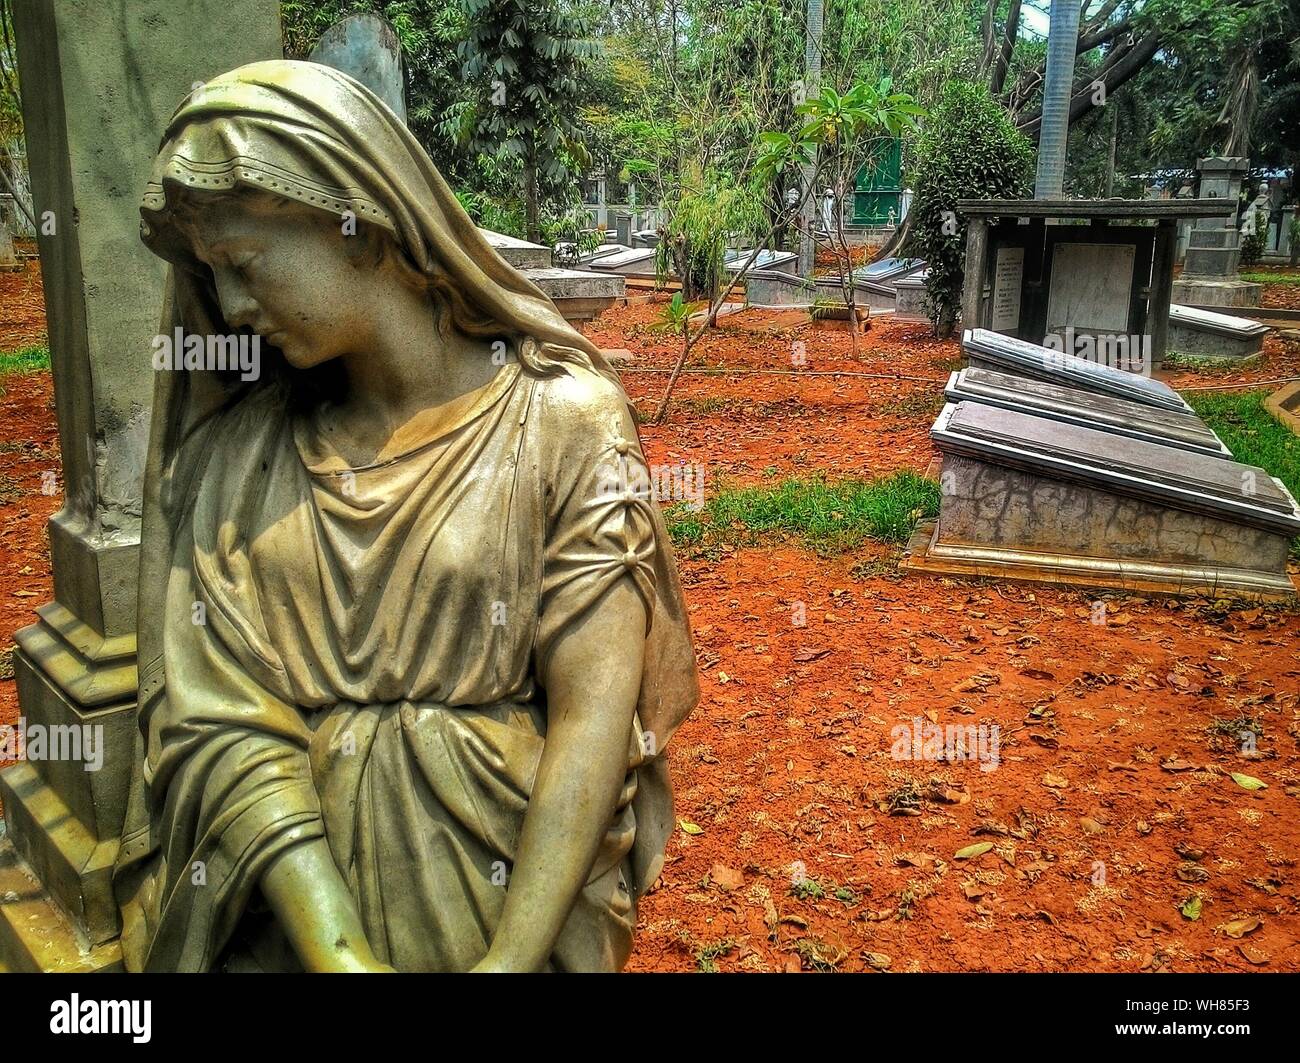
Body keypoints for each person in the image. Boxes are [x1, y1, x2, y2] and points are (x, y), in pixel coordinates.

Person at [113, 60, 698, 973]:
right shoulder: (236, 462)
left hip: (510, 906)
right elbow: (219, 728)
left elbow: (593, 715)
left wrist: (508, 963)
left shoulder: (563, 423)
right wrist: (340, 953)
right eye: (213, 275)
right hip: (290, 929)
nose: (229, 307)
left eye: (243, 264)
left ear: (358, 223)